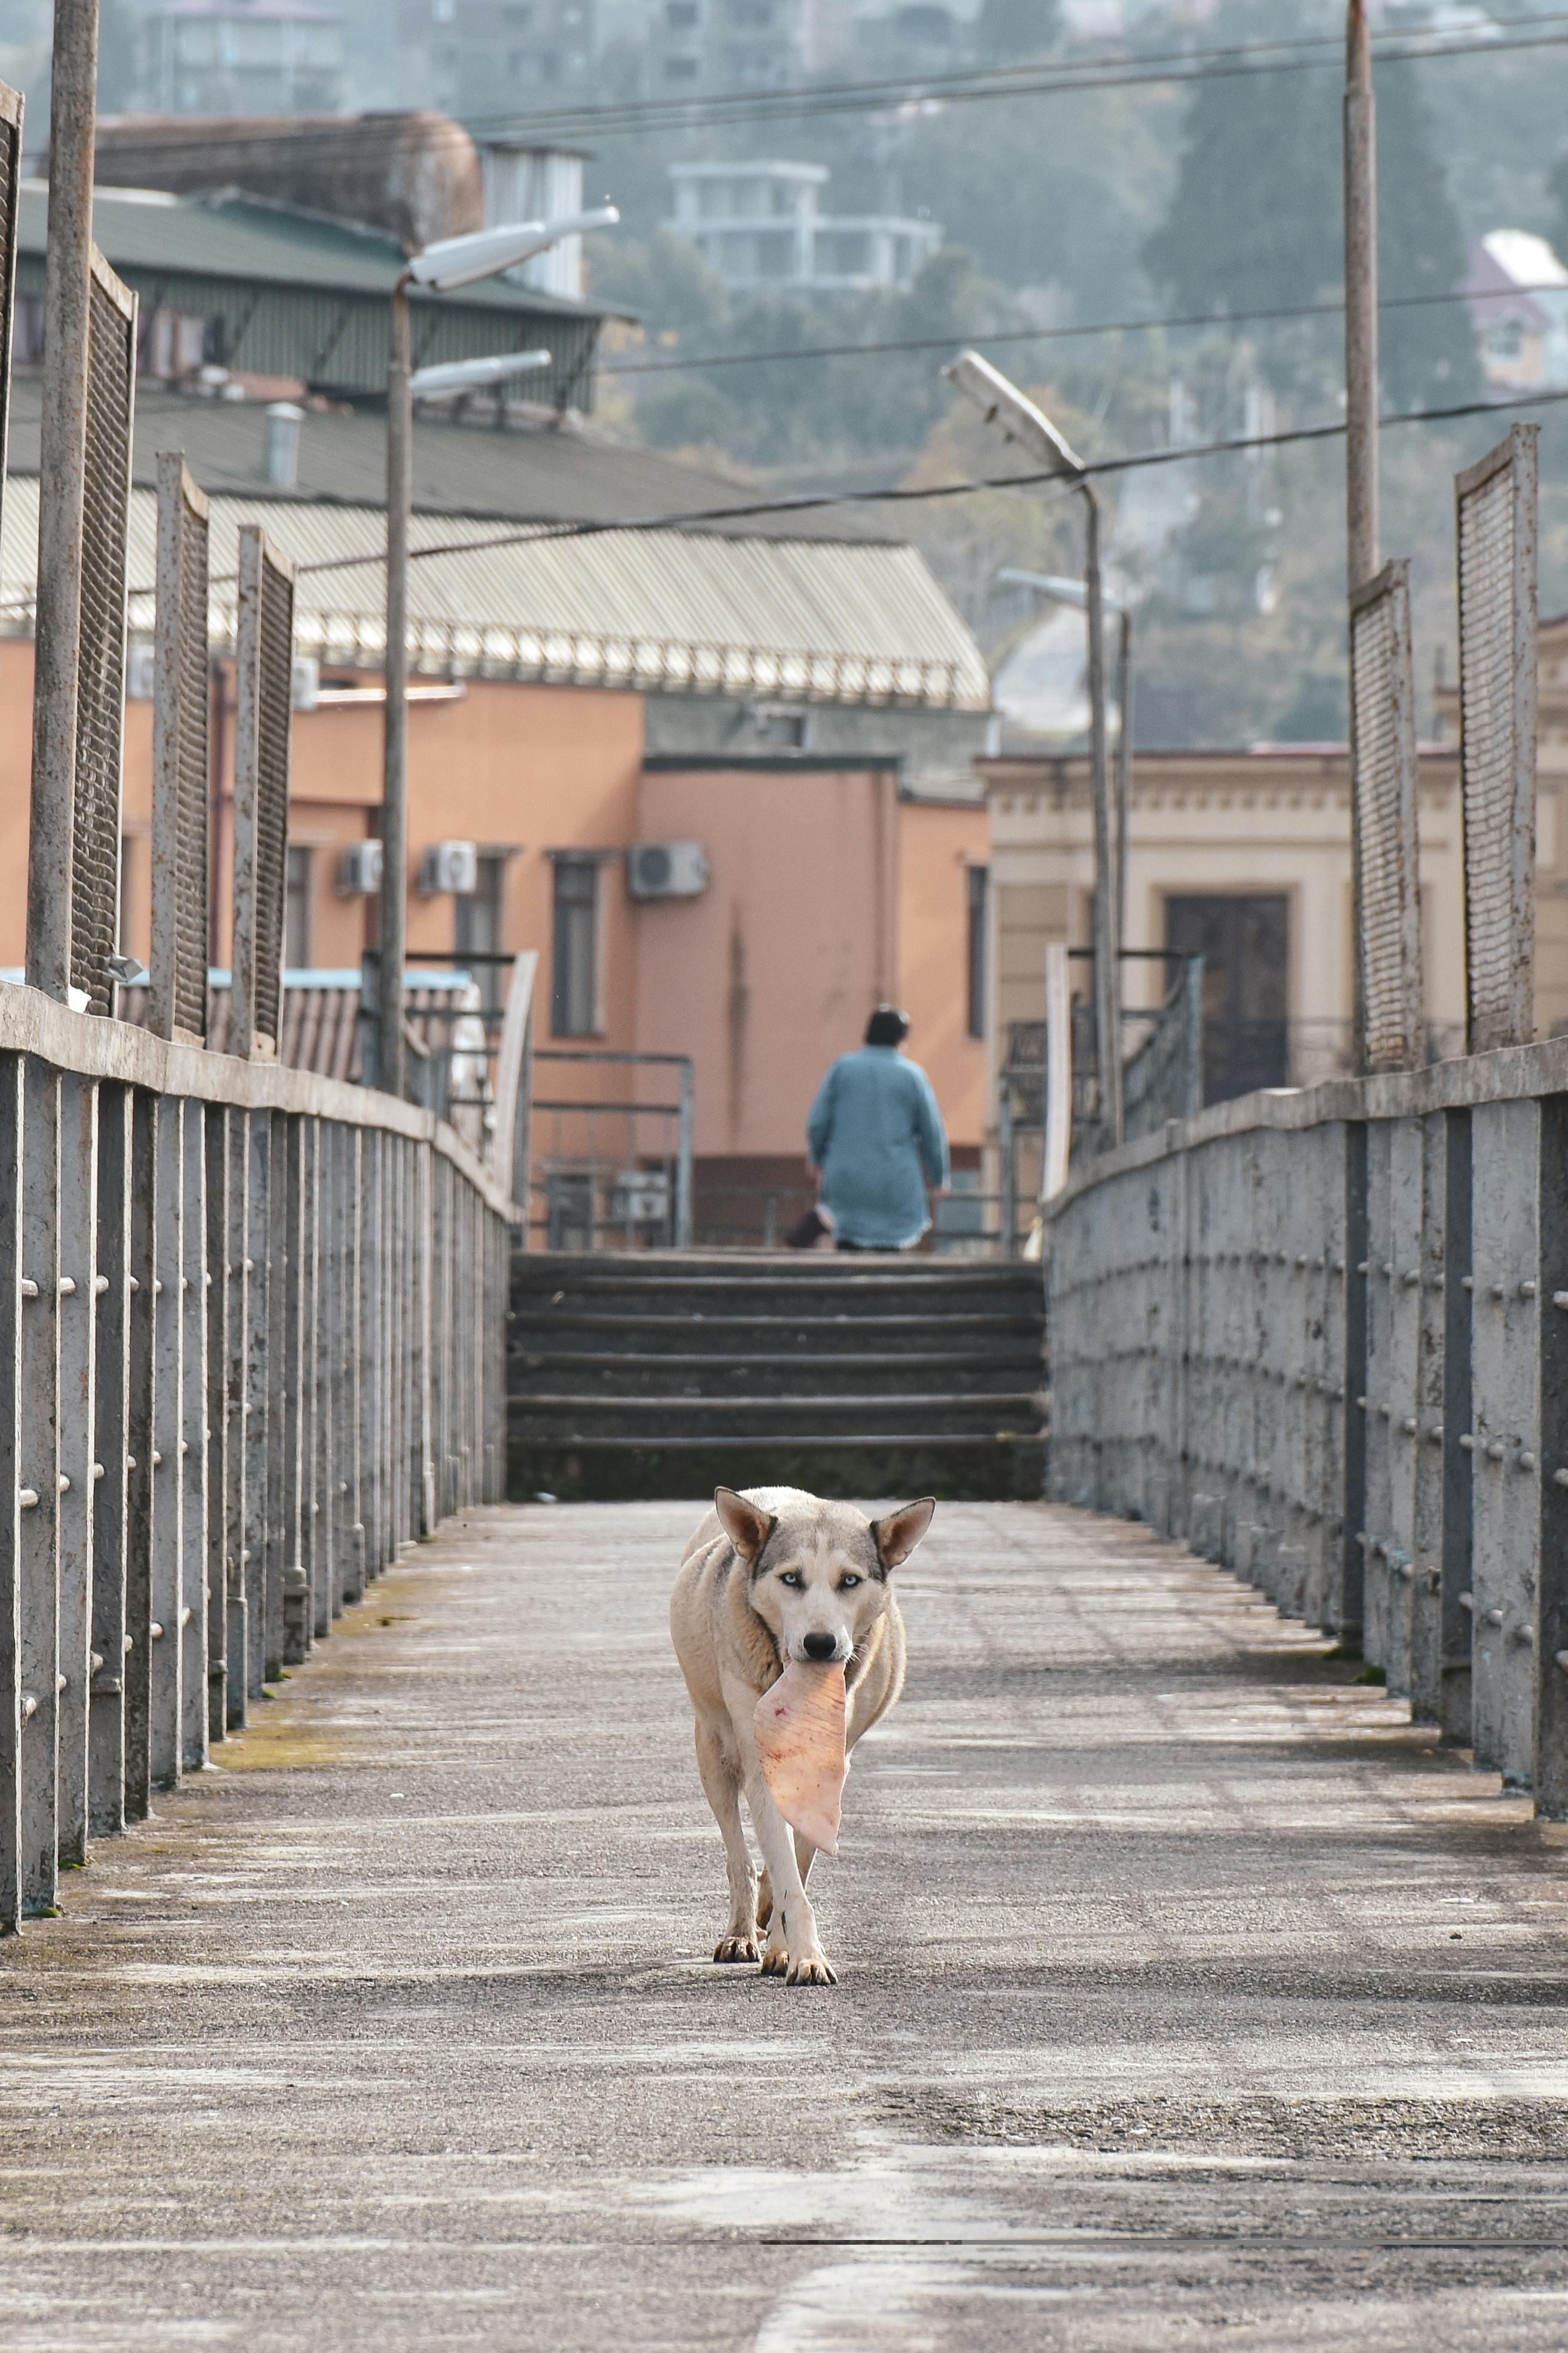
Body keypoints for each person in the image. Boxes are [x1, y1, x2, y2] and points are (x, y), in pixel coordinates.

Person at [802, 1006, 949, 1253]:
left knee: (848, 1245)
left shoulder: (842, 1069)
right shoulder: (912, 1075)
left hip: (846, 1180)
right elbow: (932, 1131)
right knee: (890, 1253)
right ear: (901, 1039)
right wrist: (939, 1176)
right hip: (895, 1183)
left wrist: (816, 1158)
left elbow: (818, 1122)